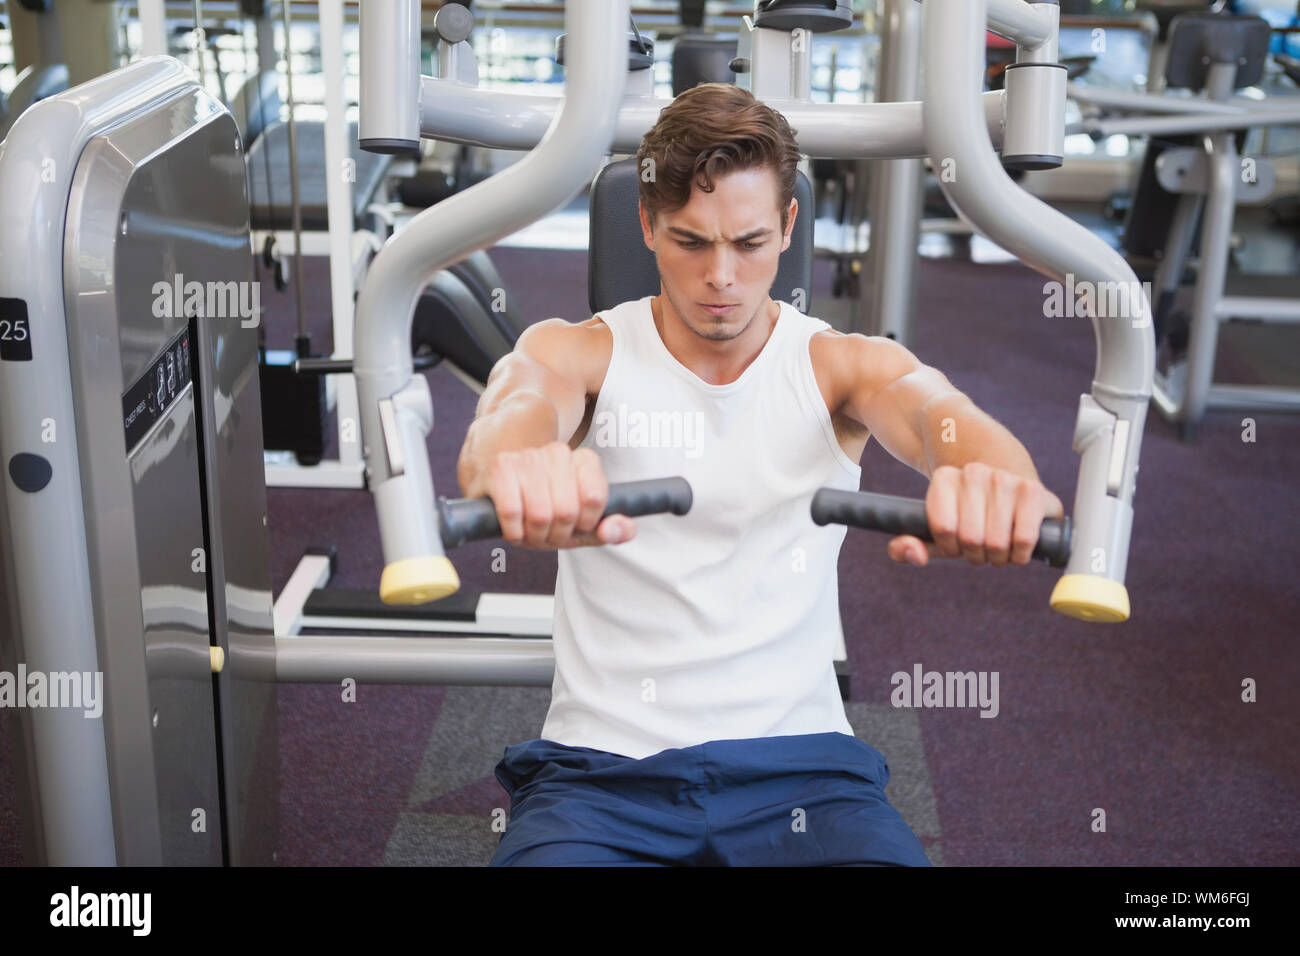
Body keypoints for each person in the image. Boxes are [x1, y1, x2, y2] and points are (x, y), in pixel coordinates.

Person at [456, 83, 1064, 866]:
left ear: (786, 227)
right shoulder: (578, 352)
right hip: (604, 777)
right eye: (690, 242)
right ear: (646, 224)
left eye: (747, 243)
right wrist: (520, 468)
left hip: (804, 773)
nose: (721, 278)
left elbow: (940, 417)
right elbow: (510, 418)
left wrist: (994, 479)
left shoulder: (842, 365)